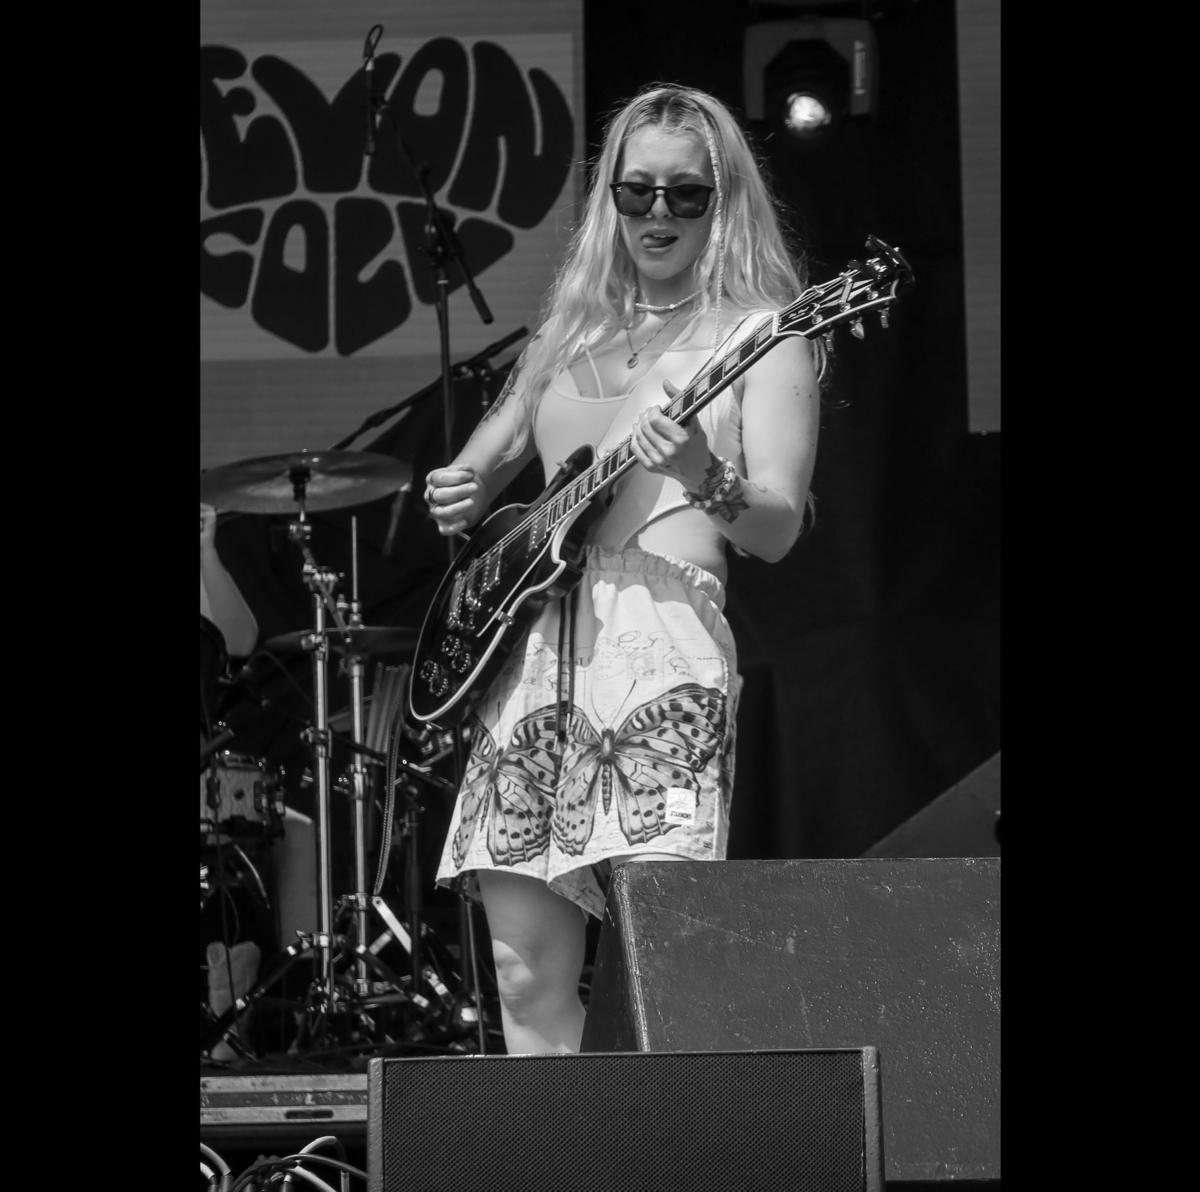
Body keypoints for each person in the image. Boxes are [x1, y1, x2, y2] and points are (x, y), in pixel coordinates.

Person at [423, 85, 822, 1055]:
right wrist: (460, 487)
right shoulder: (568, 331)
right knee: (521, 960)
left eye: (686, 195)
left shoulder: (761, 336)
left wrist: (698, 470)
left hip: (659, 637)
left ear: (723, 202)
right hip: (528, 649)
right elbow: (486, 463)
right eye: (637, 190)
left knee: (661, 947)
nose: (658, 213)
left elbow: (777, 528)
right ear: (607, 196)